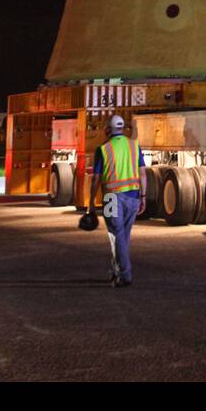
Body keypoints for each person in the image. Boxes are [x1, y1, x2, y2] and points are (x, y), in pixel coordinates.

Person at [89, 115, 146, 287]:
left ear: (108, 129)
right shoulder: (134, 146)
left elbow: (96, 179)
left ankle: (125, 274)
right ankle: (116, 271)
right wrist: (143, 196)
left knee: (116, 235)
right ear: (123, 128)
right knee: (122, 237)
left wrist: (91, 202)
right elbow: (143, 173)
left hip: (111, 197)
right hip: (133, 196)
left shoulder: (103, 149)